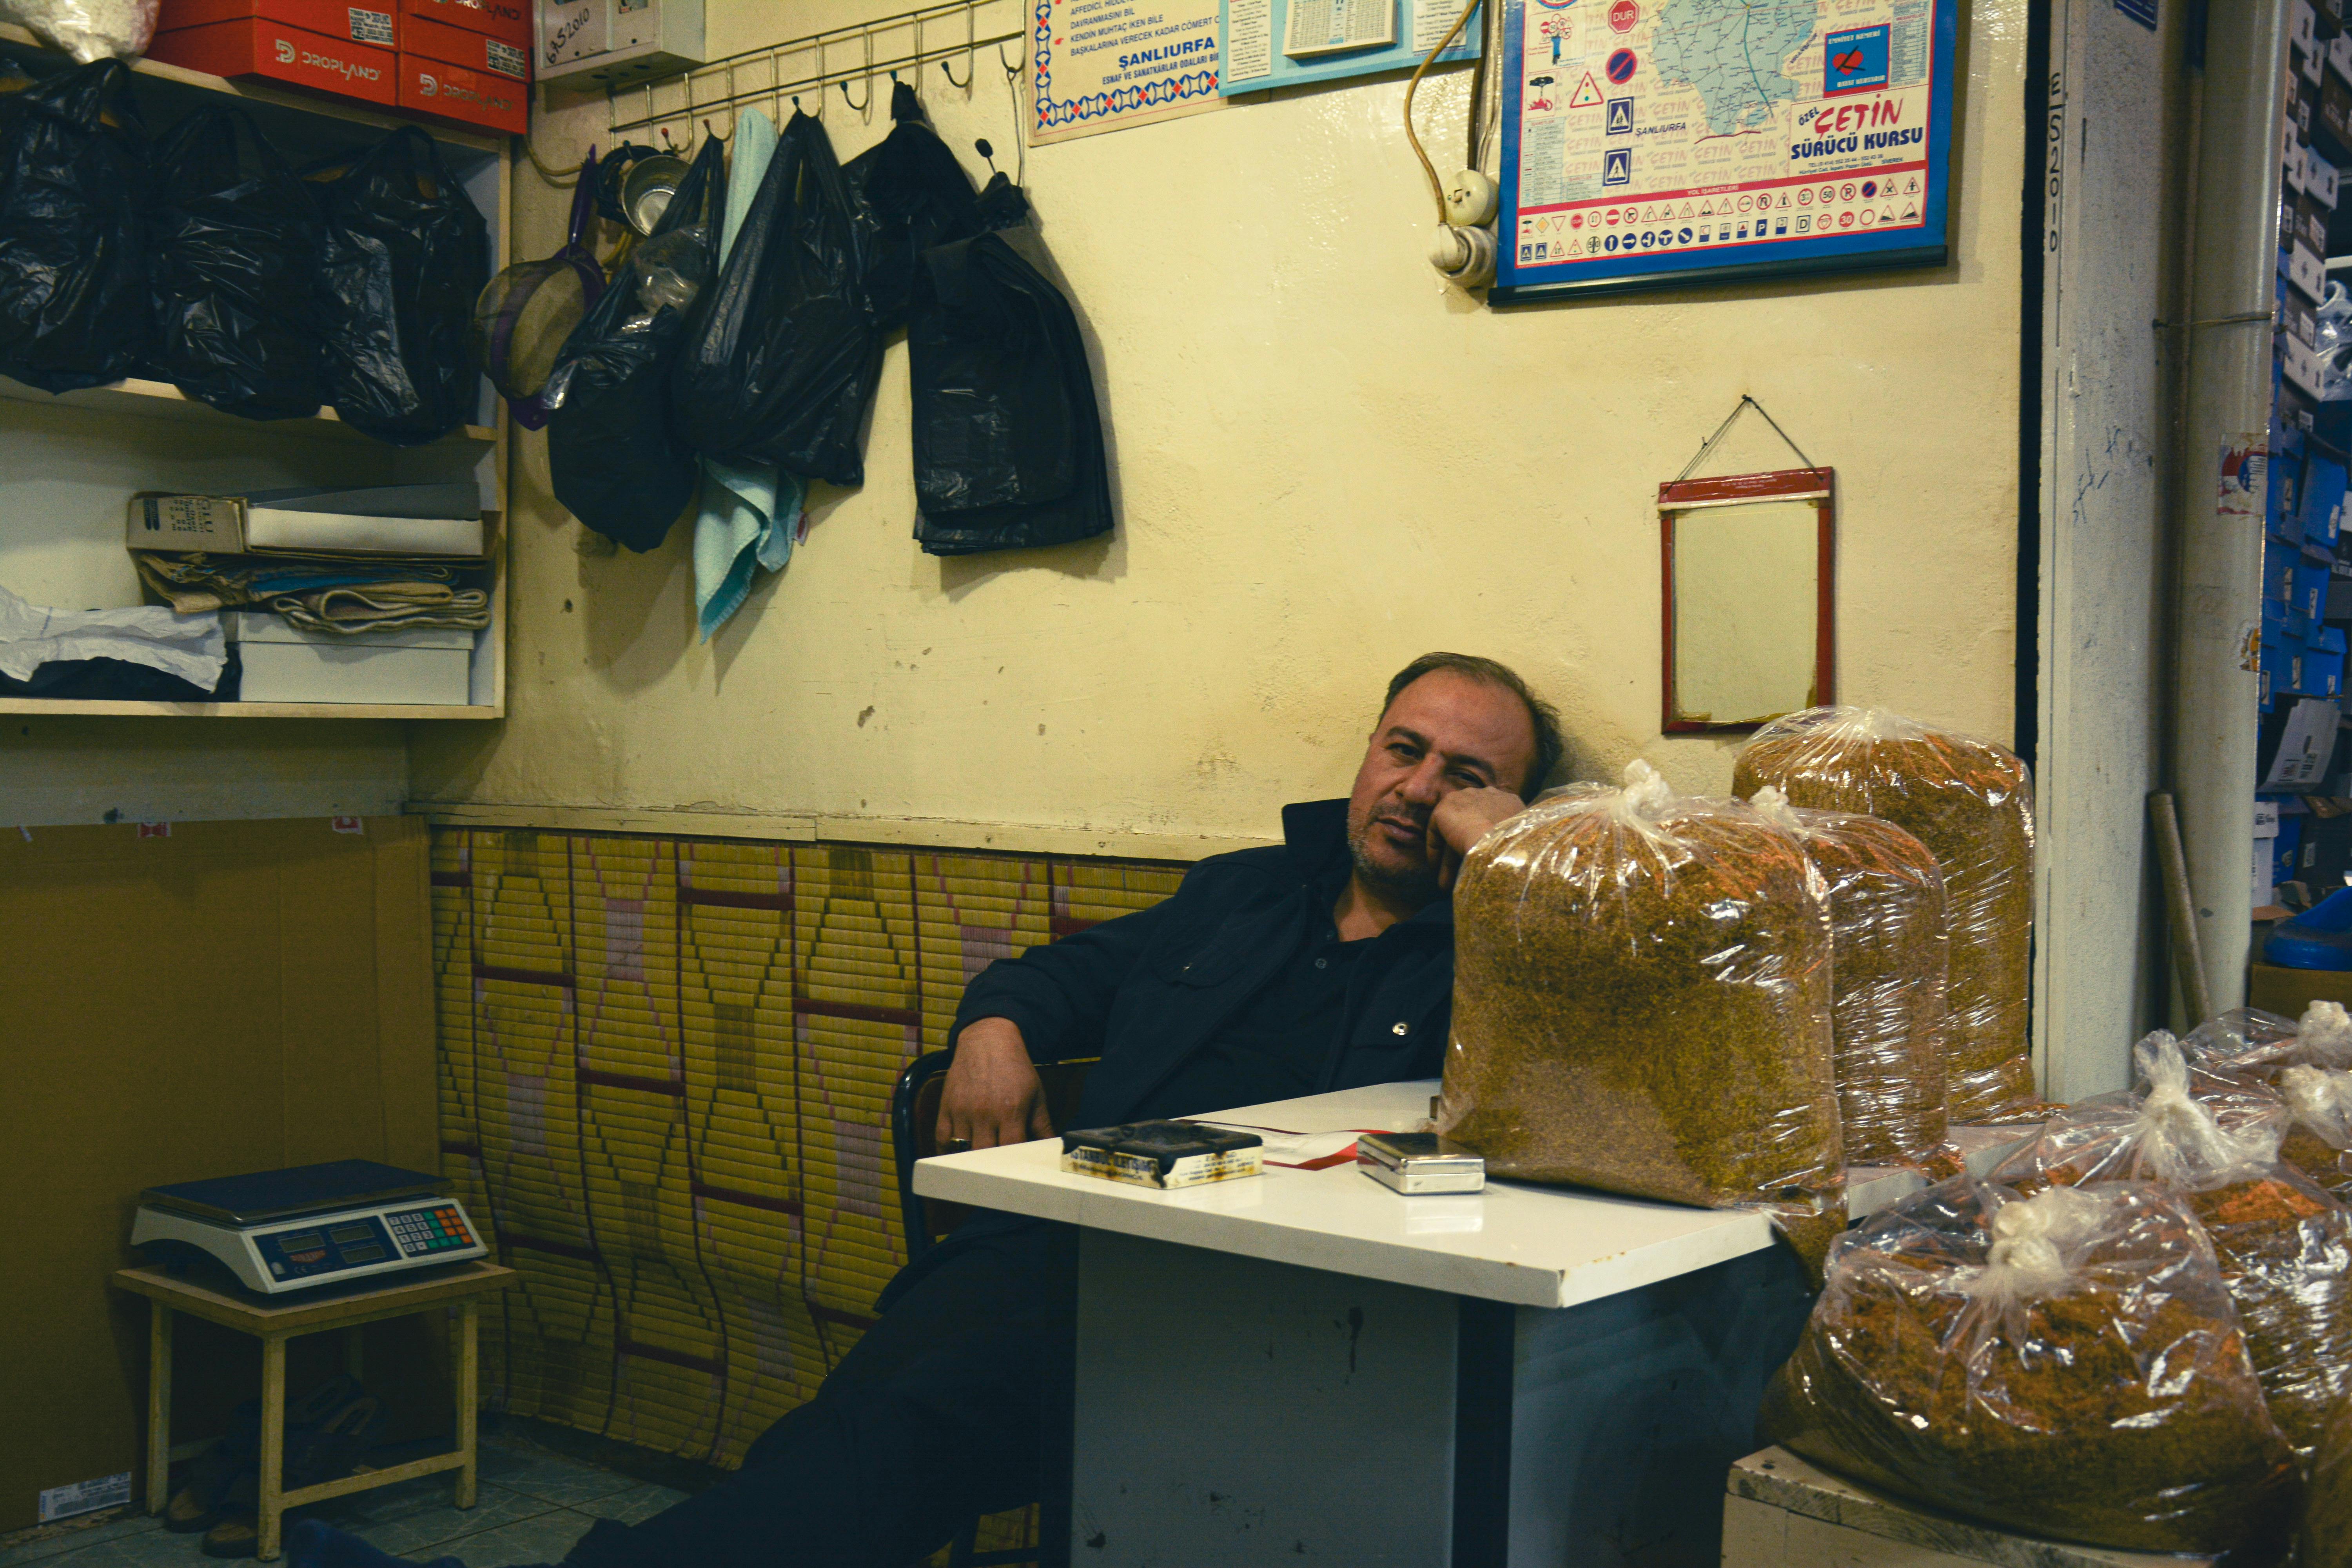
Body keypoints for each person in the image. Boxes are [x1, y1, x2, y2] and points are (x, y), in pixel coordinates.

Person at [292, 652, 1564, 1568]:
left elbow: (1578, 1068)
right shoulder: (1242, 894)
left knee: (892, 1445)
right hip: (1065, 1249)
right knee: (863, 1438)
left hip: (1274, 1301)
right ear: (1364, 753)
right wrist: (996, 1027)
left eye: (1465, 776)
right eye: (1403, 749)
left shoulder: (1508, 940)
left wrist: (1516, 876)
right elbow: (1061, 976)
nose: (1415, 788)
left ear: (1501, 811)